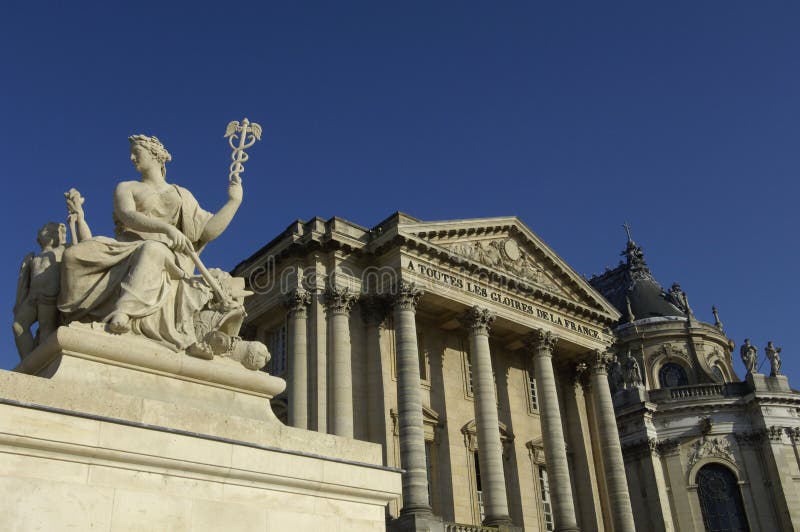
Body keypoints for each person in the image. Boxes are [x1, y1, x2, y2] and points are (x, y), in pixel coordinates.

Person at [58, 135, 243, 355]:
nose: (132, 157)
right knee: (73, 255)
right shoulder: (126, 187)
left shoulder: (182, 194)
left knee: (153, 250)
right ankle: (73, 316)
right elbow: (127, 215)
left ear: (155, 155)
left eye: (137, 153)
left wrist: (233, 202)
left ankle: (123, 312)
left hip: (169, 256)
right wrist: (166, 228)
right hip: (128, 247)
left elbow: (208, 231)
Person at [13, 222, 67, 358]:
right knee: (18, 325)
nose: (42, 232)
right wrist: (19, 301)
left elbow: (81, 247)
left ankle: (42, 362)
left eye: (46, 230)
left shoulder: (62, 250)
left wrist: (73, 223)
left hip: (48, 296)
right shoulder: (33, 257)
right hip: (31, 297)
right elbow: (24, 282)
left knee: (46, 330)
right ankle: (29, 361)